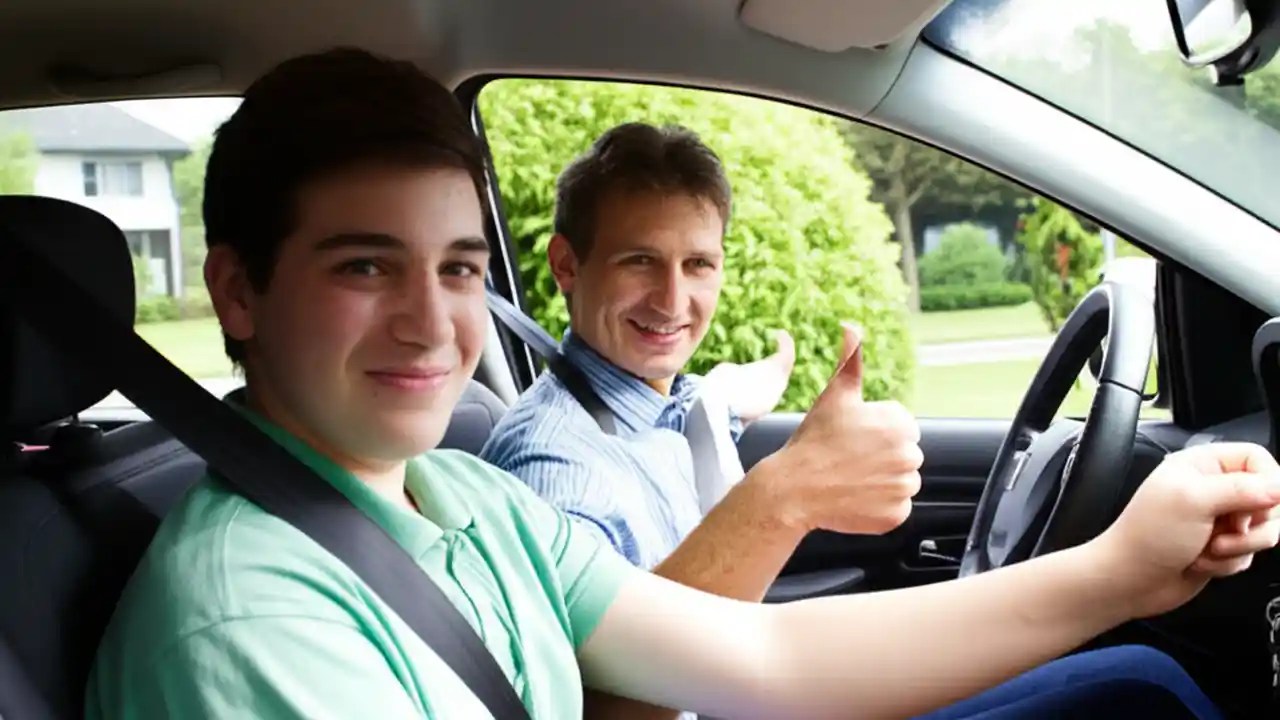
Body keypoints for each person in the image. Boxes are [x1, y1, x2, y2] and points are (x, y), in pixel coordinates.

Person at [85, 47, 1280, 720]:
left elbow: (763, 664)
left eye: (455, 266)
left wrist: (1117, 570)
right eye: (363, 266)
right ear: (239, 295)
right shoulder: (246, 619)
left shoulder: (460, 499)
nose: (432, 321)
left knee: (1134, 686)